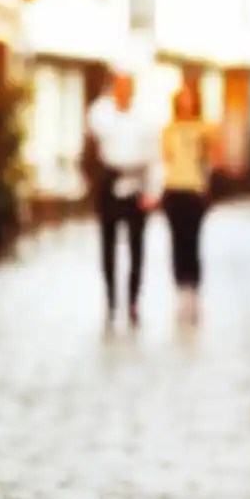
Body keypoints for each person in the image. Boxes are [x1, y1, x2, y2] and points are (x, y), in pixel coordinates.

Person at [85, 67, 162, 327]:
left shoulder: (146, 118)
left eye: (127, 86)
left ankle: (132, 301)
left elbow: (154, 158)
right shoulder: (102, 114)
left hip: (136, 182)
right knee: (108, 245)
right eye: (118, 86)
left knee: (136, 245)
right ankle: (110, 299)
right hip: (111, 180)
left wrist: (153, 191)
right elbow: (95, 125)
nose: (123, 91)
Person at [161, 87, 219, 323]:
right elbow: (164, 159)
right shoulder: (168, 130)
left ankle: (194, 288)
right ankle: (180, 288)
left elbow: (212, 156)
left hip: (195, 189)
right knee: (177, 240)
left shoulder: (204, 129)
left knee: (193, 240)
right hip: (174, 188)